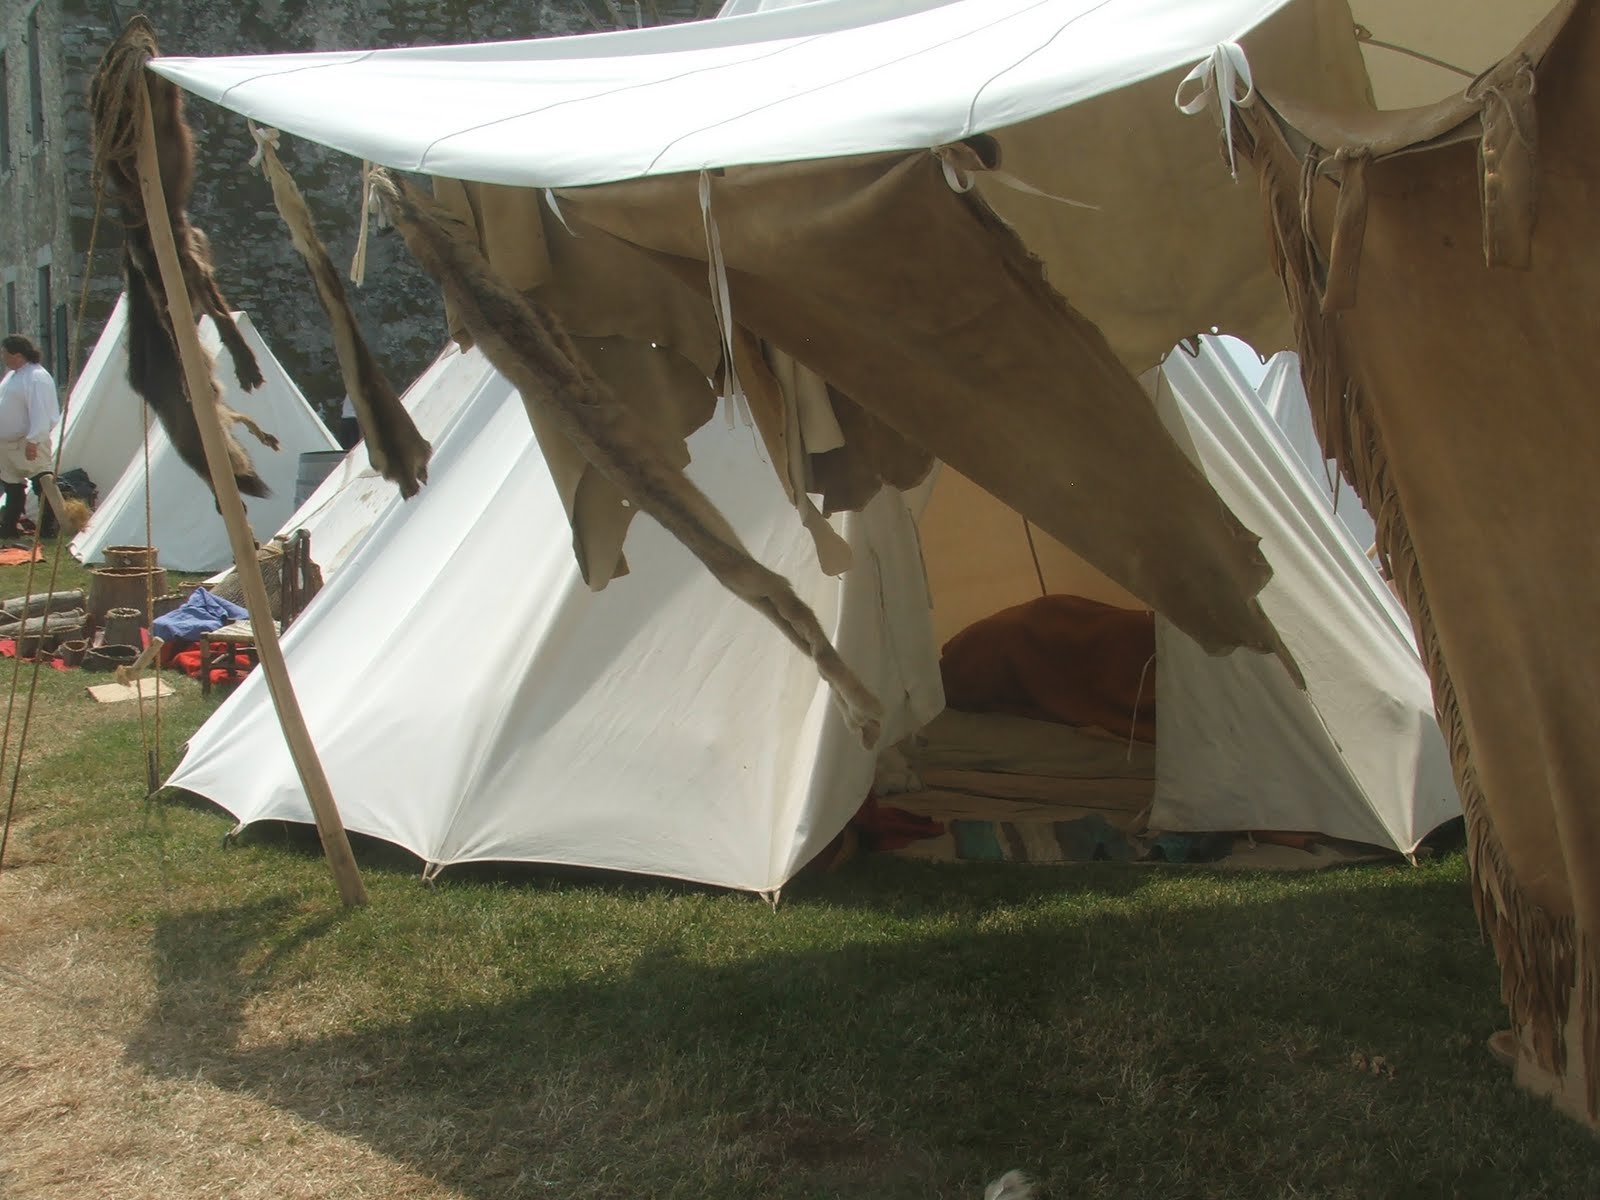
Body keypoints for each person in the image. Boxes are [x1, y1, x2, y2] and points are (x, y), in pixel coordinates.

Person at [0, 334, 63, 541]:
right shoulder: (13, 375)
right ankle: (9, 528)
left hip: (27, 441)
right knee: (13, 485)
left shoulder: (37, 377)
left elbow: (40, 410)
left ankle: (48, 529)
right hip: (8, 444)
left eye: (5, 353)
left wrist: (34, 440)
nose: (3, 357)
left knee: (41, 482)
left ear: (17, 355)